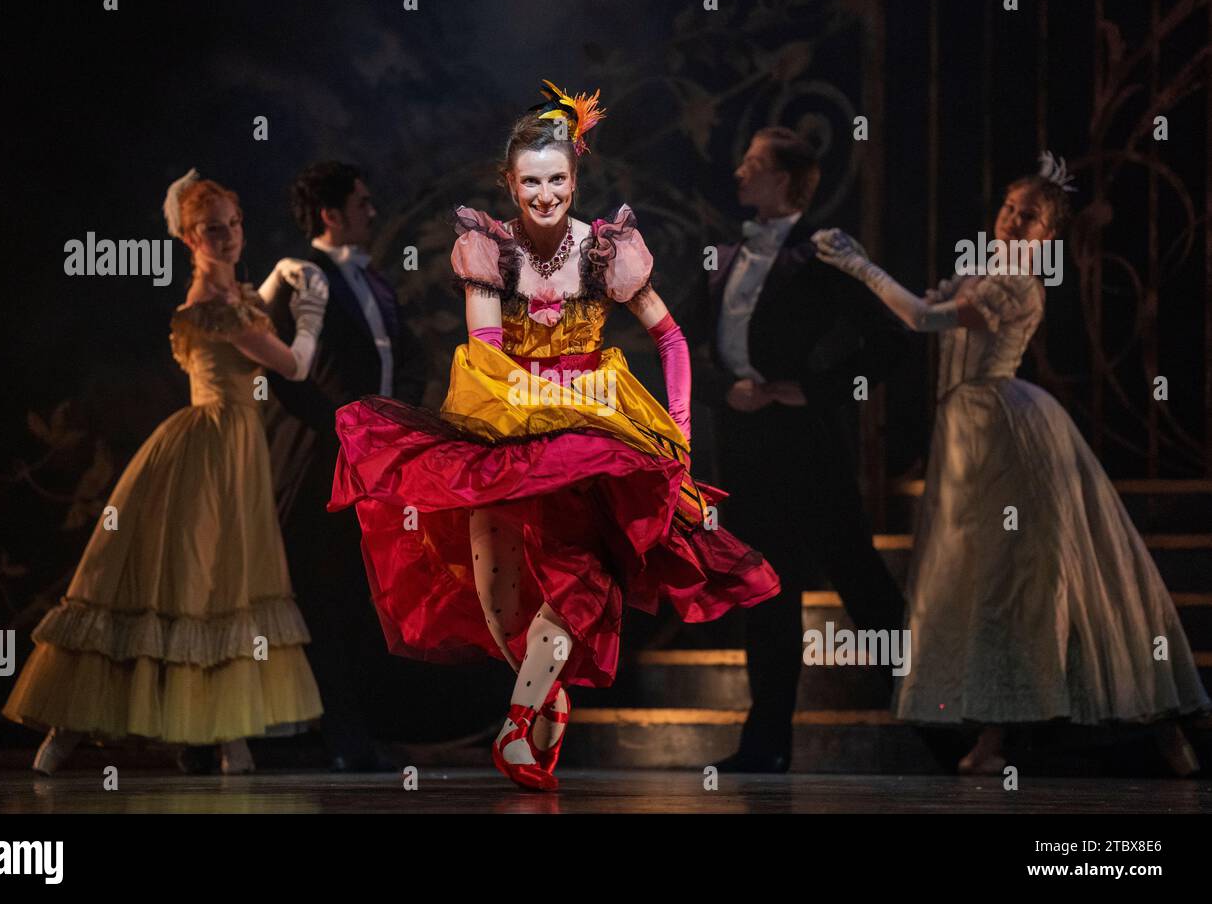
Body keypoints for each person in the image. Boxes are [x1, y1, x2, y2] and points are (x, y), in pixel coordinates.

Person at [327, 81, 781, 790]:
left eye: (559, 180)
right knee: (495, 598)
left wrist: (677, 434)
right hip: (504, 423)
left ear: (576, 178)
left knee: (579, 576)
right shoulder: (488, 251)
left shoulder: (606, 253)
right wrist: (542, 396)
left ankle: (517, 725)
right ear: (510, 184)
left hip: (591, 433)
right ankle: (545, 693)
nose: (546, 195)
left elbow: (671, 338)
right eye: (532, 181)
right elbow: (483, 351)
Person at [813, 152, 1211, 775]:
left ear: (1048, 235)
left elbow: (923, 318)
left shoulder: (1016, 283)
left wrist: (861, 266)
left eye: (1028, 217)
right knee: (983, 583)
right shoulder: (980, 272)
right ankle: (995, 738)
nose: (1012, 221)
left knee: (1025, 579)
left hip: (1006, 431)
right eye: (1008, 208)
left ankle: (1151, 725)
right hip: (964, 436)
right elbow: (921, 306)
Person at [4, 171, 328, 775]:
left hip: (237, 453)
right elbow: (293, 366)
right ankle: (70, 731)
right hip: (207, 450)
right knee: (188, 582)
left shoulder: (233, 300)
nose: (228, 237)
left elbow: (252, 313)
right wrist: (309, 313)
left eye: (234, 225)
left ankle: (228, 736)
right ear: (188, 237)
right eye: (212, 230)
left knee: (227, 583)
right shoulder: (211, 310)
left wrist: (280, 277)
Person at [679, 126, 911, 773]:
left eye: (752, 165)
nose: (738, 175)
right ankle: (766, 744)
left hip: (808, 447)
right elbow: (679, 344)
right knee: (766, 592)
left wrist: (813, 390)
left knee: (861, 583)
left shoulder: (822, 252)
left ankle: (942, 719)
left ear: (783, 179)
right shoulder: (721, 255)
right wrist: (728, 392)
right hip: (745, 449)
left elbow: (893, 339)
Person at [261, 162, 427, 771]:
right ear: (329, 214)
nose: (372, 211)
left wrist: (391, 418)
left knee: (362, 596)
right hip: (317, 462)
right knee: (320, 595)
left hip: (375, 460)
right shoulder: (298, 278)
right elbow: (284, 379)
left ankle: (355, 730)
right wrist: (347, 427)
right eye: (361, 203)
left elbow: (410, 354)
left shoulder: (375, 280)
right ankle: (330, 735)